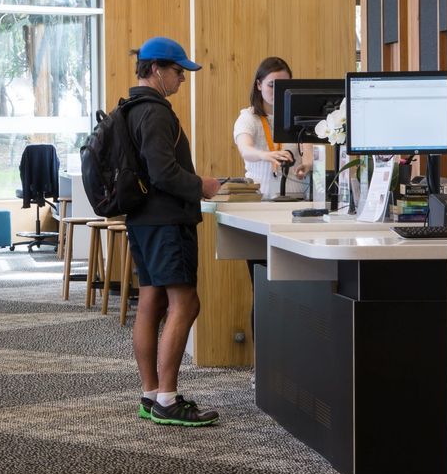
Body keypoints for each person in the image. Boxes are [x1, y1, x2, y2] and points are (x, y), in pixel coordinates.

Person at [123, 36, 224, 427]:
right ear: (155, 70)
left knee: (151, 304)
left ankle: (151, 394)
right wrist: (203, 185)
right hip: (166, 222)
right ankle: (167, 397)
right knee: (186, 304)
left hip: (143, 221)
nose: (182, 78)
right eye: (177, 71)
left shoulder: (131, 109)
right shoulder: (157, 113)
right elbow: (163, 172)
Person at [234, 56, 312, 198]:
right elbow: (246, 150)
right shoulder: (248, 117)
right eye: (272, 85)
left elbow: (307, 150)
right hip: (260, 199)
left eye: (284, 85)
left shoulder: (297, 117)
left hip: (297, 199)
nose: (278, 91)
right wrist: (266, 155)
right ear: (259, 85)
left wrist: (307, 165)